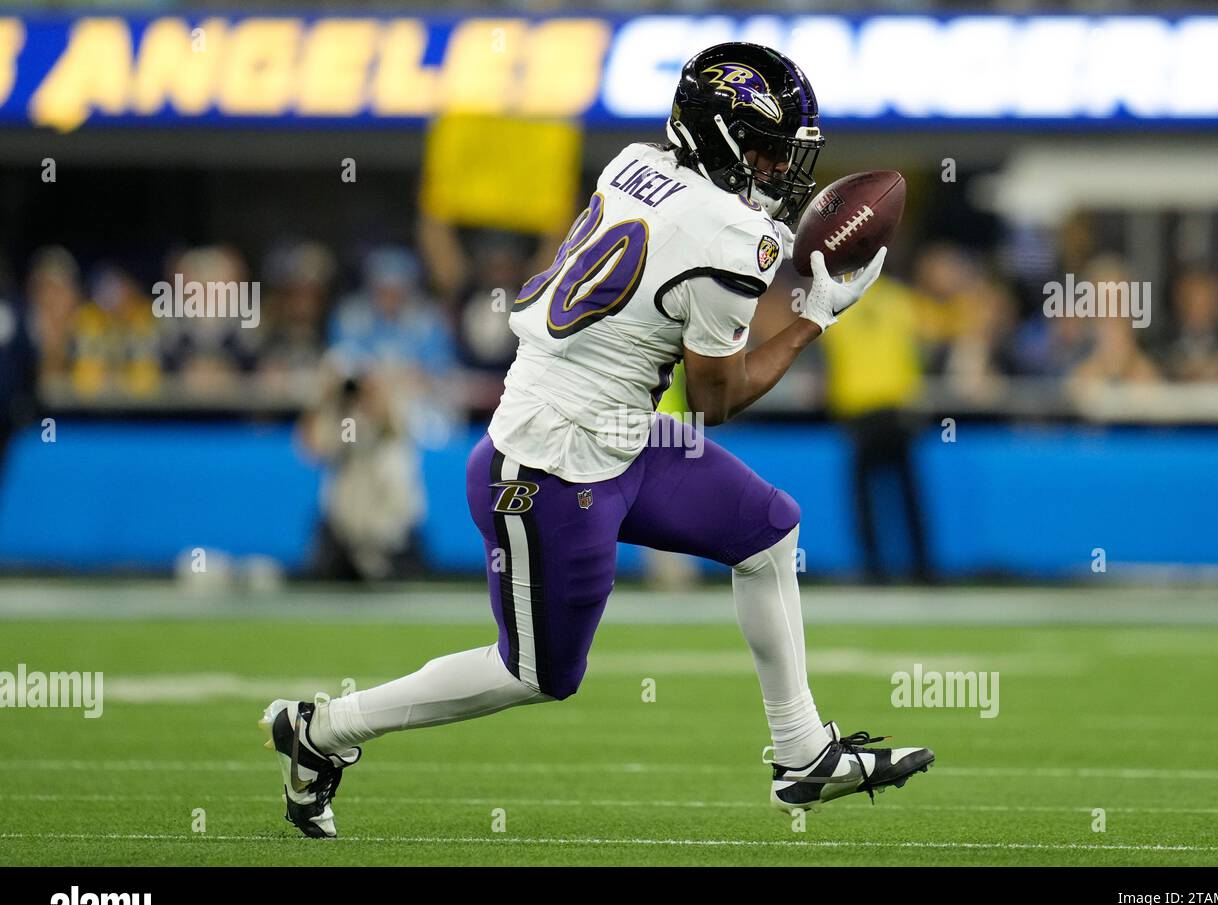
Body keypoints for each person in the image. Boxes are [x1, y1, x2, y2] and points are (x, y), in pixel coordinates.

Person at [261, 42, 934, 838]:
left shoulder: (634, 161)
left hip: (616, 428)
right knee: (537, 674)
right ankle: (320, 730)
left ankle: (802, 752)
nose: (777, 169)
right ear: (719, 137)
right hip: (548, 465)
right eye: (764, 148)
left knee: (768, 531)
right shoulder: (734, 236)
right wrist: (815, 317)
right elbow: (717, 400)